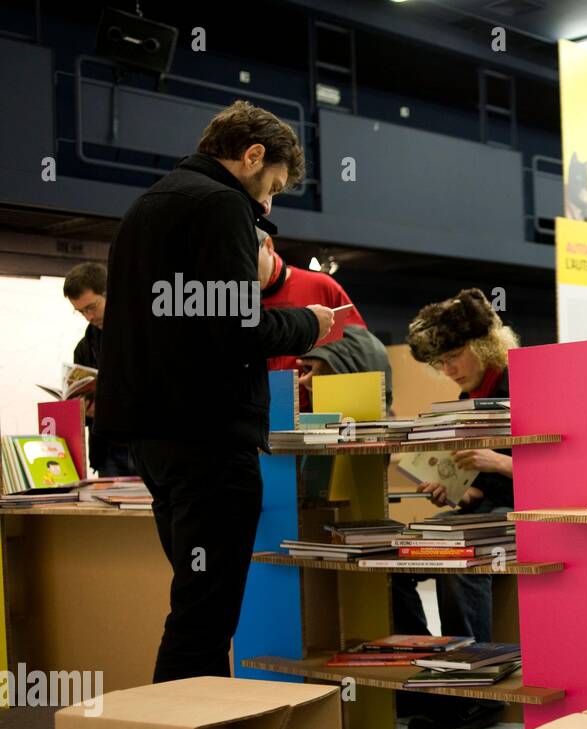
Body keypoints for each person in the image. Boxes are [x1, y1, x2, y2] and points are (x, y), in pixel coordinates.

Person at [94, 100, 334, 683]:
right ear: (252, 156)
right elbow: (235, 328)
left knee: (198, 605)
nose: (267, 204)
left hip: (153, 443)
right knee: (204, 617)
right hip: (208, 439)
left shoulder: (147, 206)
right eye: (271, 187)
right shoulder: (222, 205)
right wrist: (309, 323)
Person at [394, 288, 518, 729]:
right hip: (491, 509)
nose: (448, 370)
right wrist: (457, 494)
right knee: (397, 552)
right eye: (440, 363)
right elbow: (485, 490)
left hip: (535, 513)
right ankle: (421, 682)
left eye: (454, 356)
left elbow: (570, 467)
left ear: (484, 344)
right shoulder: (468, 399)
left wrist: (498, 461)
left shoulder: (528, 385)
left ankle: (475, 691)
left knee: (460, 555)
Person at [256, 230, 392, 413]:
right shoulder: (236, 301)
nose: (244, 268)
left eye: (250, 257)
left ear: (269, 246)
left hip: (320, 419)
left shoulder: (322, 286)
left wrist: (329, 362)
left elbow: (361, 349)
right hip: (262, 418)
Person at [62, 262, 135, 477]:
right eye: (80, 311)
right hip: (107, 452)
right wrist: (81, 409)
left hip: (143, 446)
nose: (88, 317)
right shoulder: (84, 348)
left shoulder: (140, 338)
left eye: (92, 307)